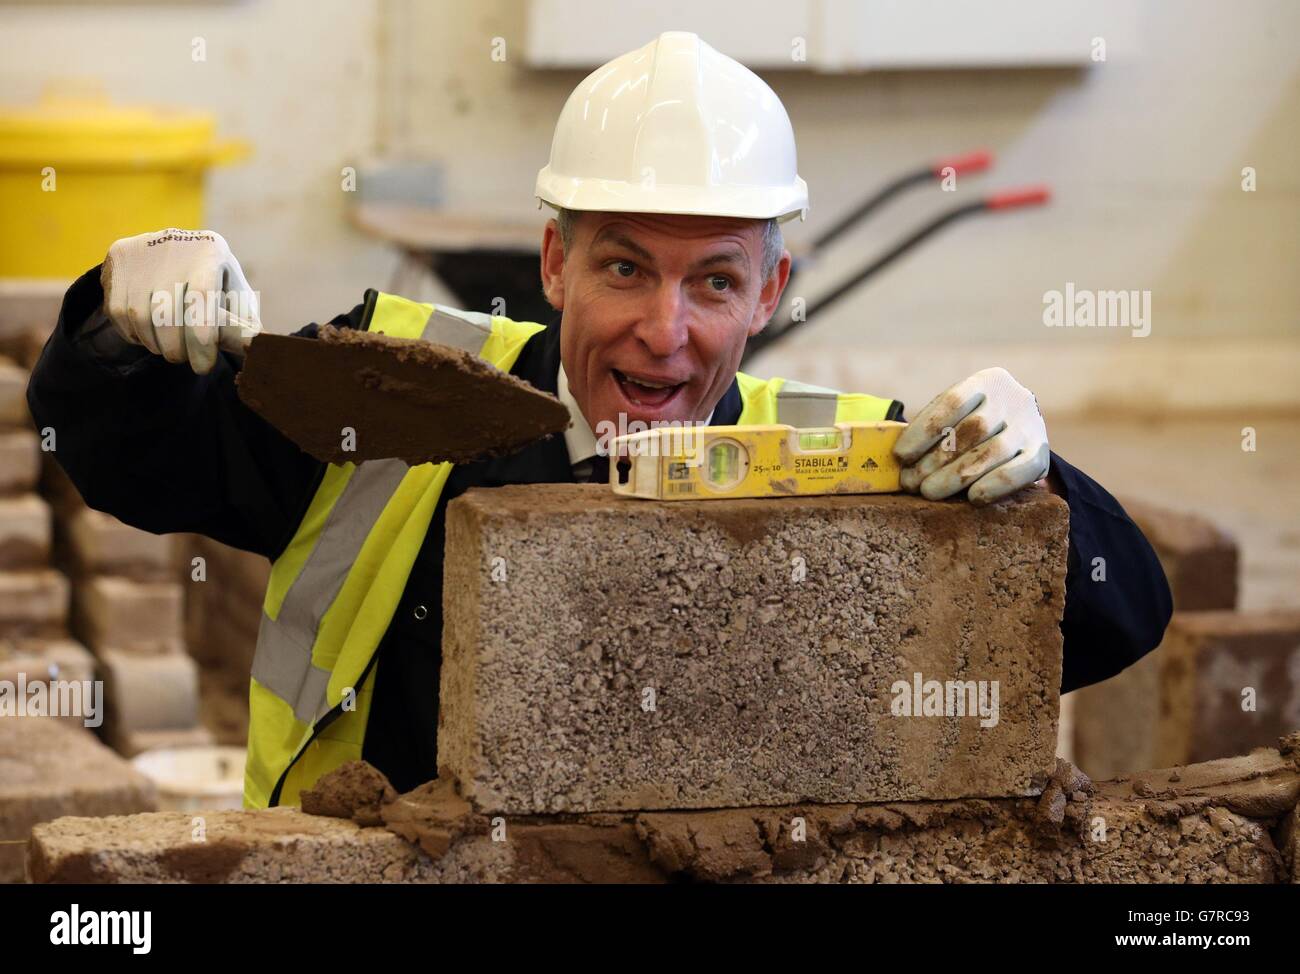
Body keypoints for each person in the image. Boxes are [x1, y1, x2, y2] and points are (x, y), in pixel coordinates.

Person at [26, 32, 1171, 806]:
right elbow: (136, 457)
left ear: (768, 296)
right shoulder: (395, 395)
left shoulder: (830, 454)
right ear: (554, 264)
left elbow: (1115, 617)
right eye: (625, 267)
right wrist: (118, 327)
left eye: (714, 282)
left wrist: (1038, 478)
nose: (663, 332)